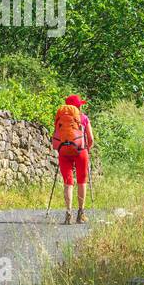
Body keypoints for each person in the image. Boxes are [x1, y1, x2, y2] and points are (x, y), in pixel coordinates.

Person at [52, 94, 95, 225]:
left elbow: (57, 135)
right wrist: (86, 148)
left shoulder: (60, 118)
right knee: (82, 181)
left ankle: (68, 213)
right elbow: (91, 139)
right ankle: (81, 214)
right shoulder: (84, 118)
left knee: (68, 182)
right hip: (81, 151)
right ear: (78, 106)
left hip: (63, 151)